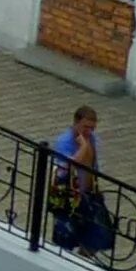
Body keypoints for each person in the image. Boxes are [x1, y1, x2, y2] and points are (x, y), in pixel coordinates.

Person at [49, 105, 117, 258]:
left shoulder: (91, 139)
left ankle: (83, 258)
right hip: (68, 196)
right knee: (65, 236)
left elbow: (93, 165)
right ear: (76, 122)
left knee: (100, 234)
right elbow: (67, 167)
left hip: (88, 193)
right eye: (86, 127)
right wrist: (83, 147)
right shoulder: (64, 142)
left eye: (92, 128)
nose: (89, 131)